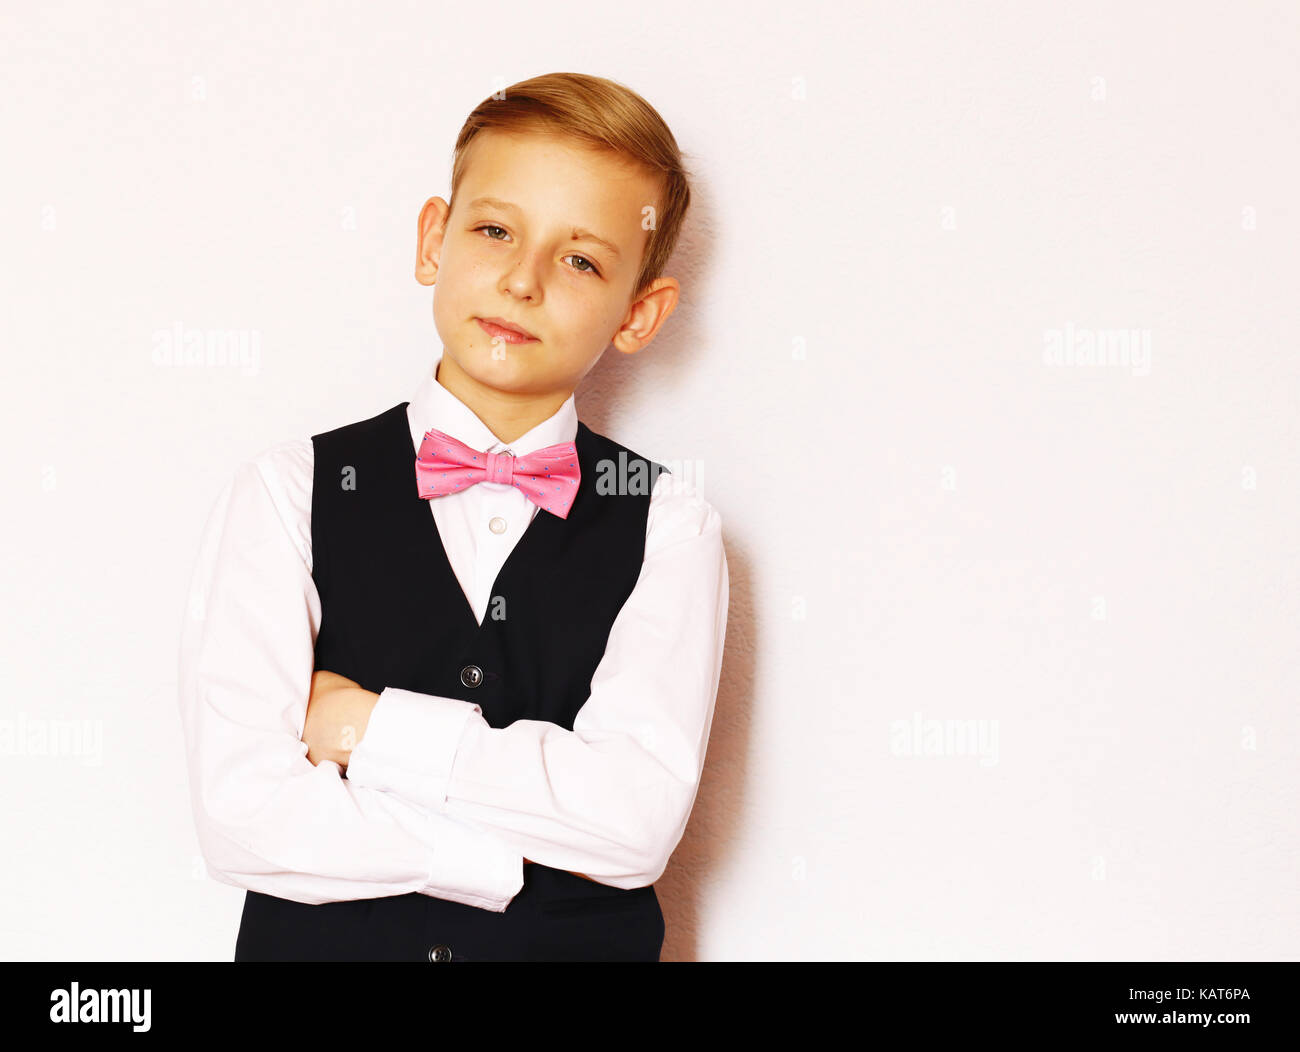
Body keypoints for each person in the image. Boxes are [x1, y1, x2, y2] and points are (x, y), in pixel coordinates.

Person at [177, 72, 728, 961]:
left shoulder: (670, 524)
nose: (522, 280)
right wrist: (500, 855)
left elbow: (633, 825)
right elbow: (244, 815)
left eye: (580, 258)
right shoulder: (286, 491)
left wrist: (364, 729)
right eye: (495, 230)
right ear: (435, 239)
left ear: (640, 313)